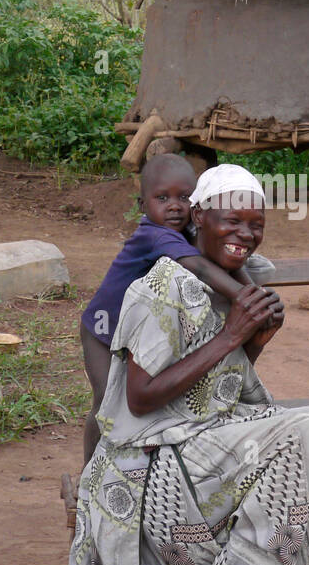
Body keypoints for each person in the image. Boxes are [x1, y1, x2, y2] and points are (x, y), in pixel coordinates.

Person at [69, 164, 309, 565]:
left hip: (207, 433)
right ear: (198, 218)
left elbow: (225, 383)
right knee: (302, 431)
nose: (245, 234)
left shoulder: (242, 278)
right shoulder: (164, 284)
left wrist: (254, 339)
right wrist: (234, 332)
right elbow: (140, 398)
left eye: (255, 224)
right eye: (231, 221)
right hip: (161, 454)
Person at [78, 154, 280, 462]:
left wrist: (254, 297)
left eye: (184, 197)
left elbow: (232, 267)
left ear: (196, 204)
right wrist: (246, 298)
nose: (174, 206)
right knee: (106, 402)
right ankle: (91, 469)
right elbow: (200, 268)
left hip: (140, 338)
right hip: (104, 330)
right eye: (162, 198)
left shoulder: (190, 232)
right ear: (142, 205)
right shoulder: (154, 234)